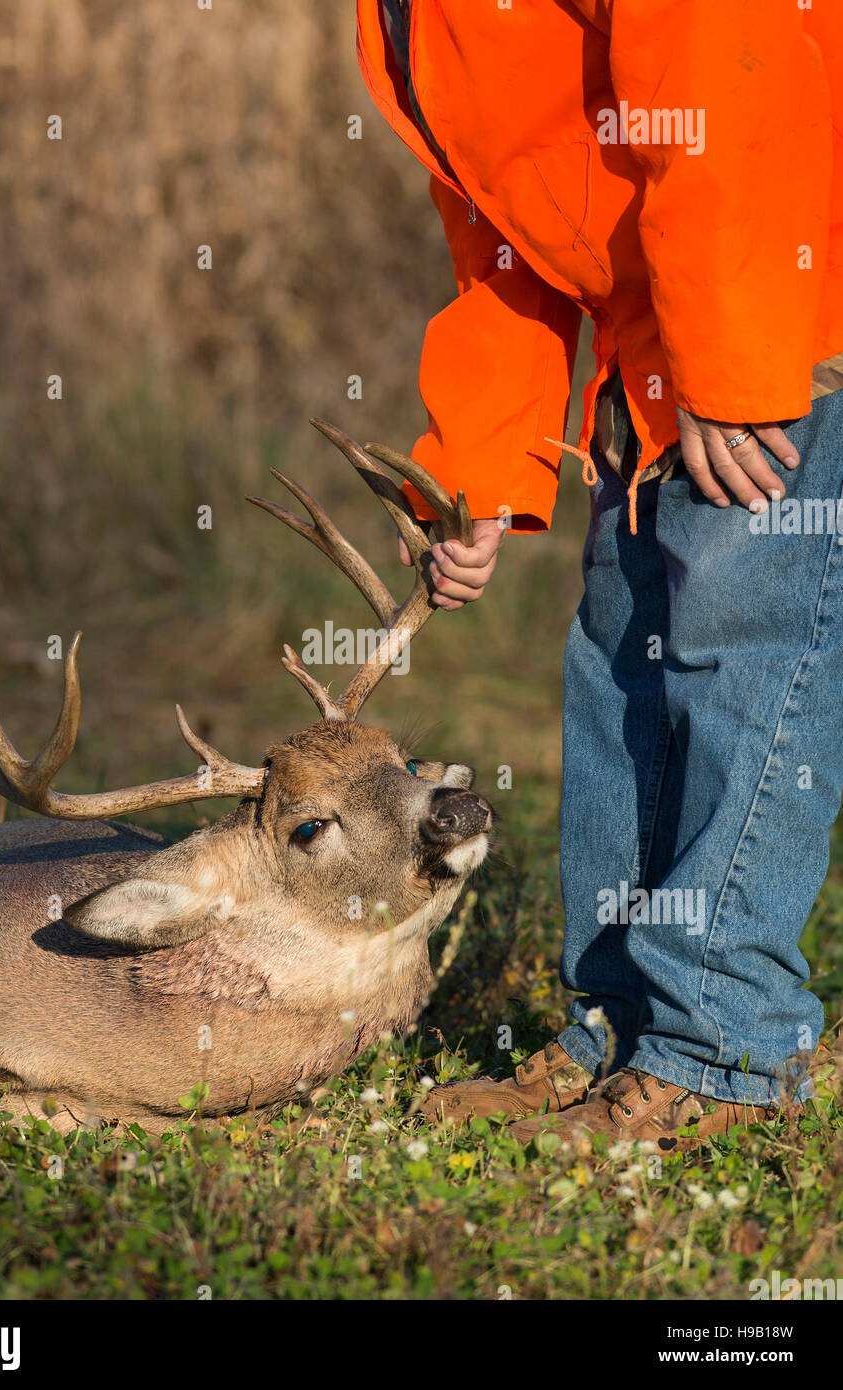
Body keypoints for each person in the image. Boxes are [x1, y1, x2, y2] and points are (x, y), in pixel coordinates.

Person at [358, 1, 843, 1149]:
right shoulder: (398, 18)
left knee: (741, 648)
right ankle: (618, 1026)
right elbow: (502, 242)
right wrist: (479, 467)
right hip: (655, 342)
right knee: (617, 663)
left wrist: (731, 360)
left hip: (771, 299)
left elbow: (733, 75)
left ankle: (724, 1044)